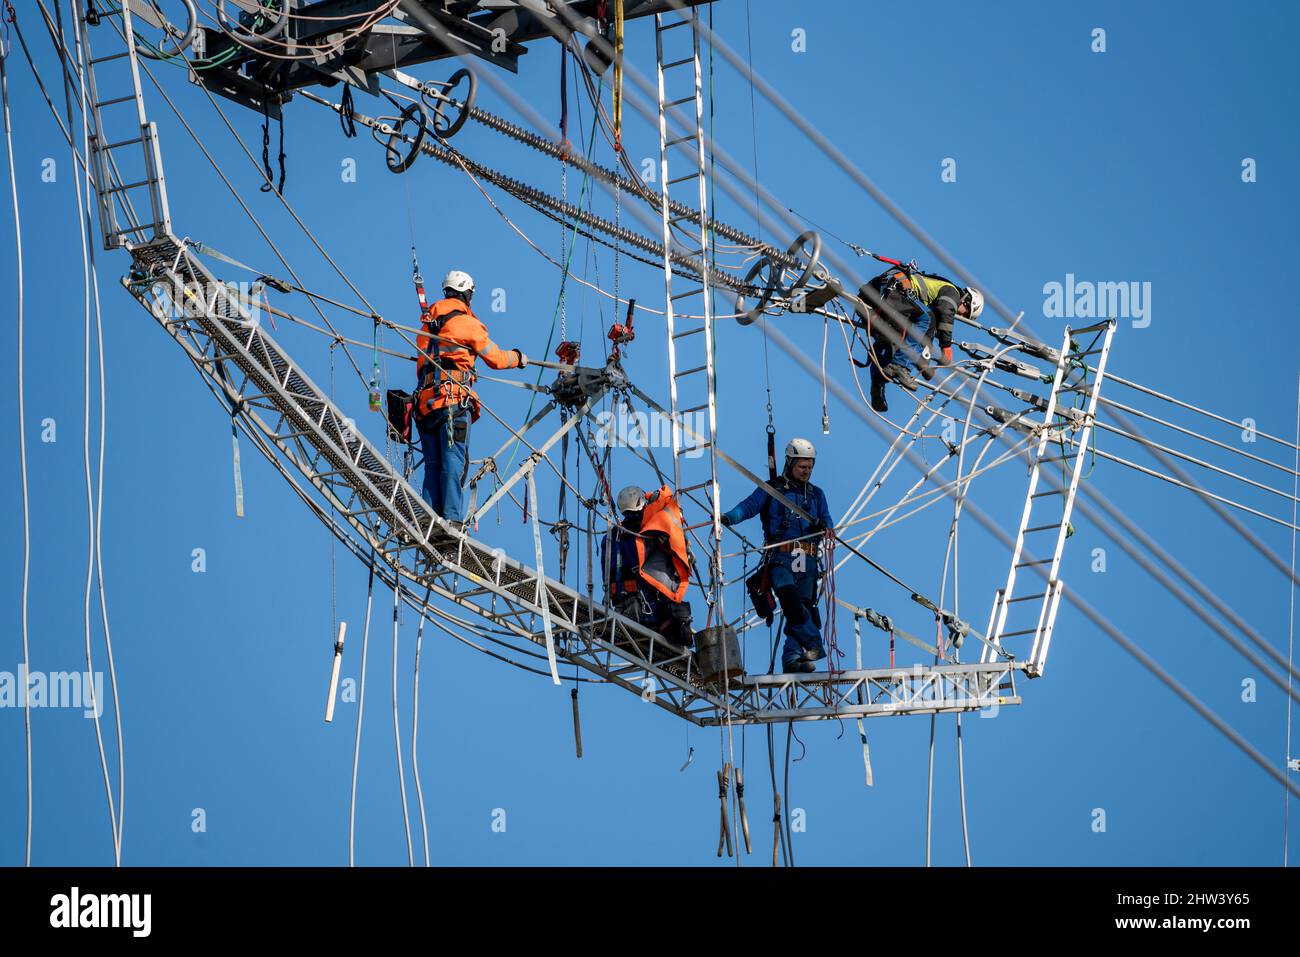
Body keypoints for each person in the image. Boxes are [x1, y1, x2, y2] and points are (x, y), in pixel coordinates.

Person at [414, 269, 527, 525]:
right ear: (466, 294)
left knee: (433, 465)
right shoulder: (467, 323)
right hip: (452, 402)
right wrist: (518, 358)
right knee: (453, 462)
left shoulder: (427, 325)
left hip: (426, 405)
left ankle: (426, 519)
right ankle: (451, 519)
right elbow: (496, 359)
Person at [720, 438, 833, 673]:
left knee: (804, 606)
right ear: (790, 463)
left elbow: (829, 524)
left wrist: (825, 527)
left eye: (810, 467)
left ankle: (792, 658)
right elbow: (749, 506)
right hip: (781, 556)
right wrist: (729, 517)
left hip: (807, 558)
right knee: (789, 596)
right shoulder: (773, 489)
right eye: (802, 467)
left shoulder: (816, 495)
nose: (807, 472)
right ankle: (813, 642)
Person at [856, 268, 984, 412]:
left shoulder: (930, 306)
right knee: (926, 319)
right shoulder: (952, 292)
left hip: (881, 296)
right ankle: (900, 366)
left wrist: (924, 363)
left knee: (893, 340)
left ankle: (877, 385)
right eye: (965, 313)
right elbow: (946, 311)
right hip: (891, 292)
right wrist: (946, 346)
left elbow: (926, 334)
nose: (960, 315)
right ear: (966, 300)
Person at [601, 484, 694, 650]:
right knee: (680, 624)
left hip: (622, 606)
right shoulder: (647, 531)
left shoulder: (611, 536)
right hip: (648, 609)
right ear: (642, 503)